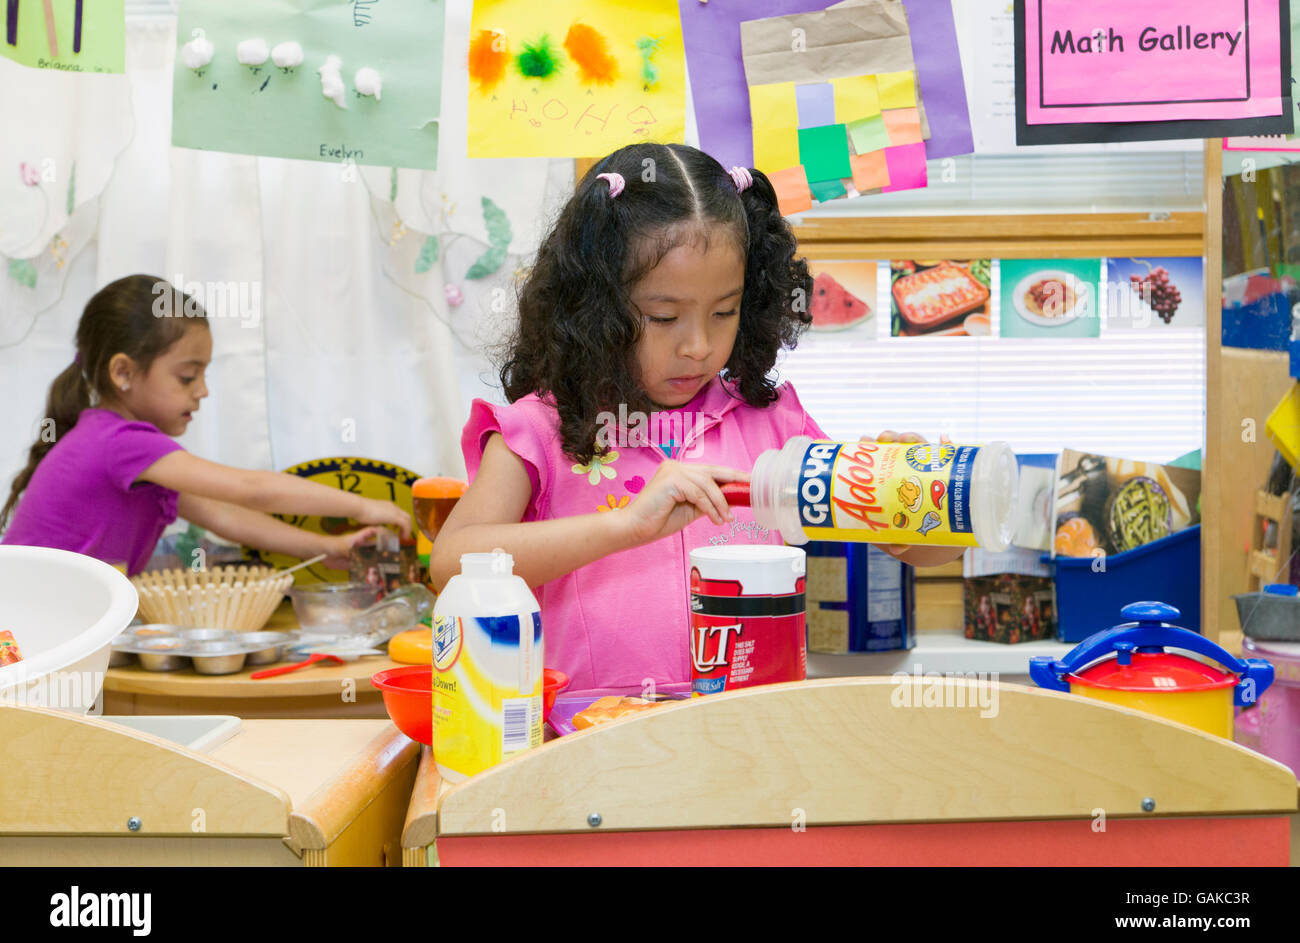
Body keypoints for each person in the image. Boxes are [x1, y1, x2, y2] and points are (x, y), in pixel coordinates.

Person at [432, 144, 962, 695]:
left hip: (749, 743)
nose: (699, 346)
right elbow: (450, 564)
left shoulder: (775, 426)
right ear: (597, 308)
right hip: (593, 747)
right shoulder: (540, 430)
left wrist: (911, 498)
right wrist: (623, 526)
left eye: (724, 312)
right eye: (663, 317)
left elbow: (937, 551)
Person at [1, 275, 410, 576]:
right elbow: (251, 490)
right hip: (24, 631)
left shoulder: (132, 456)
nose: (202, 392)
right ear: (123, 372)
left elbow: (225, 516)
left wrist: (326, 546)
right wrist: (361, 505)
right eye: (187, 377)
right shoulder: (119, 443)